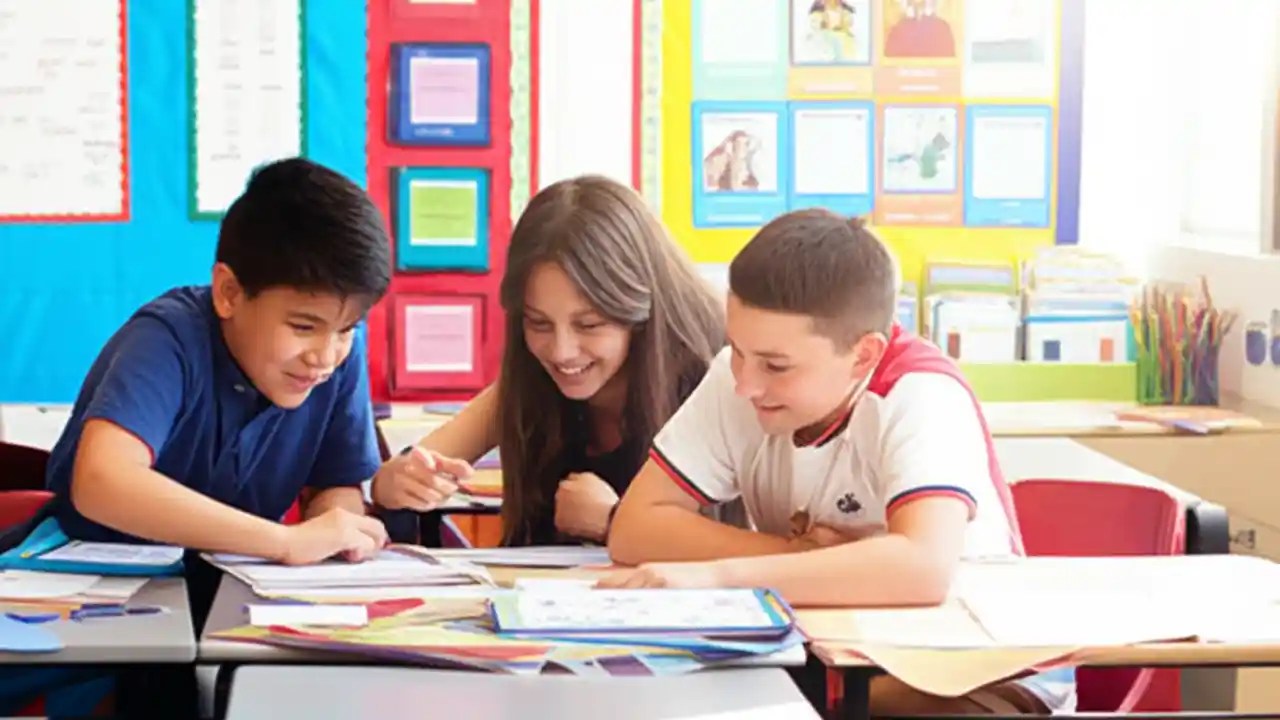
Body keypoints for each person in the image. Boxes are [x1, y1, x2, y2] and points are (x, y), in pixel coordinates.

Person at [601, 209, 1075, 715]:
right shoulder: (739, 378)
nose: (745, 384)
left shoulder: (919, 394)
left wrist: (717, 576)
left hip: (975, 673)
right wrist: (793, 553)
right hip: (839, 655)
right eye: (737, 350)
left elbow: (922, 567)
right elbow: (635, 526)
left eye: (775, 366)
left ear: (863, 355)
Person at [44, 157, 393, 626]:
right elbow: (102, 482)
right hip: (100, 605)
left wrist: (337, 529)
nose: (325, 355)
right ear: (228, 292)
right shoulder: (167, 338)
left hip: (231, 597)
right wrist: (286, 542)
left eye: (348, 329)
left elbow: (336, 483)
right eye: (303, 326)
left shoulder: (334, 358)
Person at [371, 175, 727, 546]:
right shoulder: (527, 380)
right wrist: (394, 482)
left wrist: (615, 523)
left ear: (640, 312)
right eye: (538, 322)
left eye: (589, 324)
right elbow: (414, 465)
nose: (561, 352)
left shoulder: (718, 371)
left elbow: (755, 547)